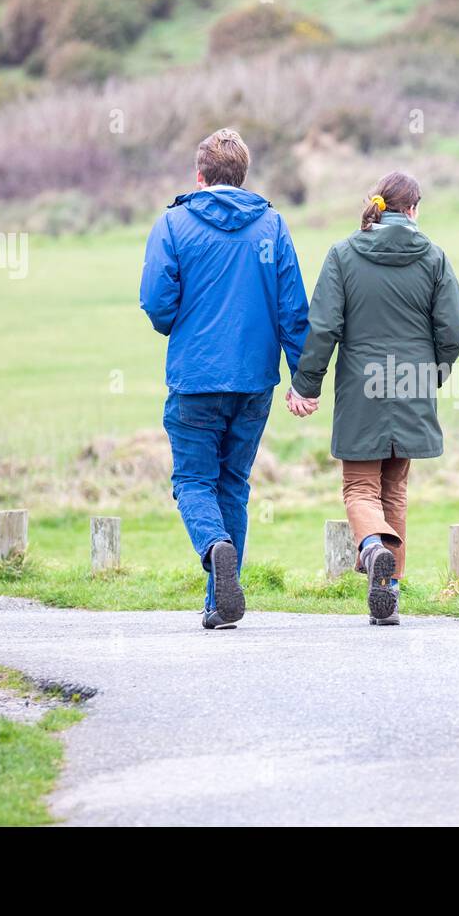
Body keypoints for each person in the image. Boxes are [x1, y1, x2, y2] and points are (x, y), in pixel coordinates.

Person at [139, 128, 310, 630]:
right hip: (255, 380)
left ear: (199, 175)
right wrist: (303, 377)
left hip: (194, 377)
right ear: (243, 174)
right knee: (232, 482)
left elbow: (156, 302)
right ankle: (220, 601)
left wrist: (179, 322)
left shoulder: (172, 224)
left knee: (193, 480)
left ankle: (214, 548)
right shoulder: (272, 226)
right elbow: (293, 309)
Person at [289, 172, 459, 626]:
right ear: (413, 209)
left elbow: (324, 327)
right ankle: (389, 589)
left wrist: (306, 385)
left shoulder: (344, 254)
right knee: (395, 490)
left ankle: (371, 550)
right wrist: (433, 373)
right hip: (412, 381)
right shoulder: (433, 256)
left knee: (359, 488)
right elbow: (454, 330)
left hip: (360, 387)